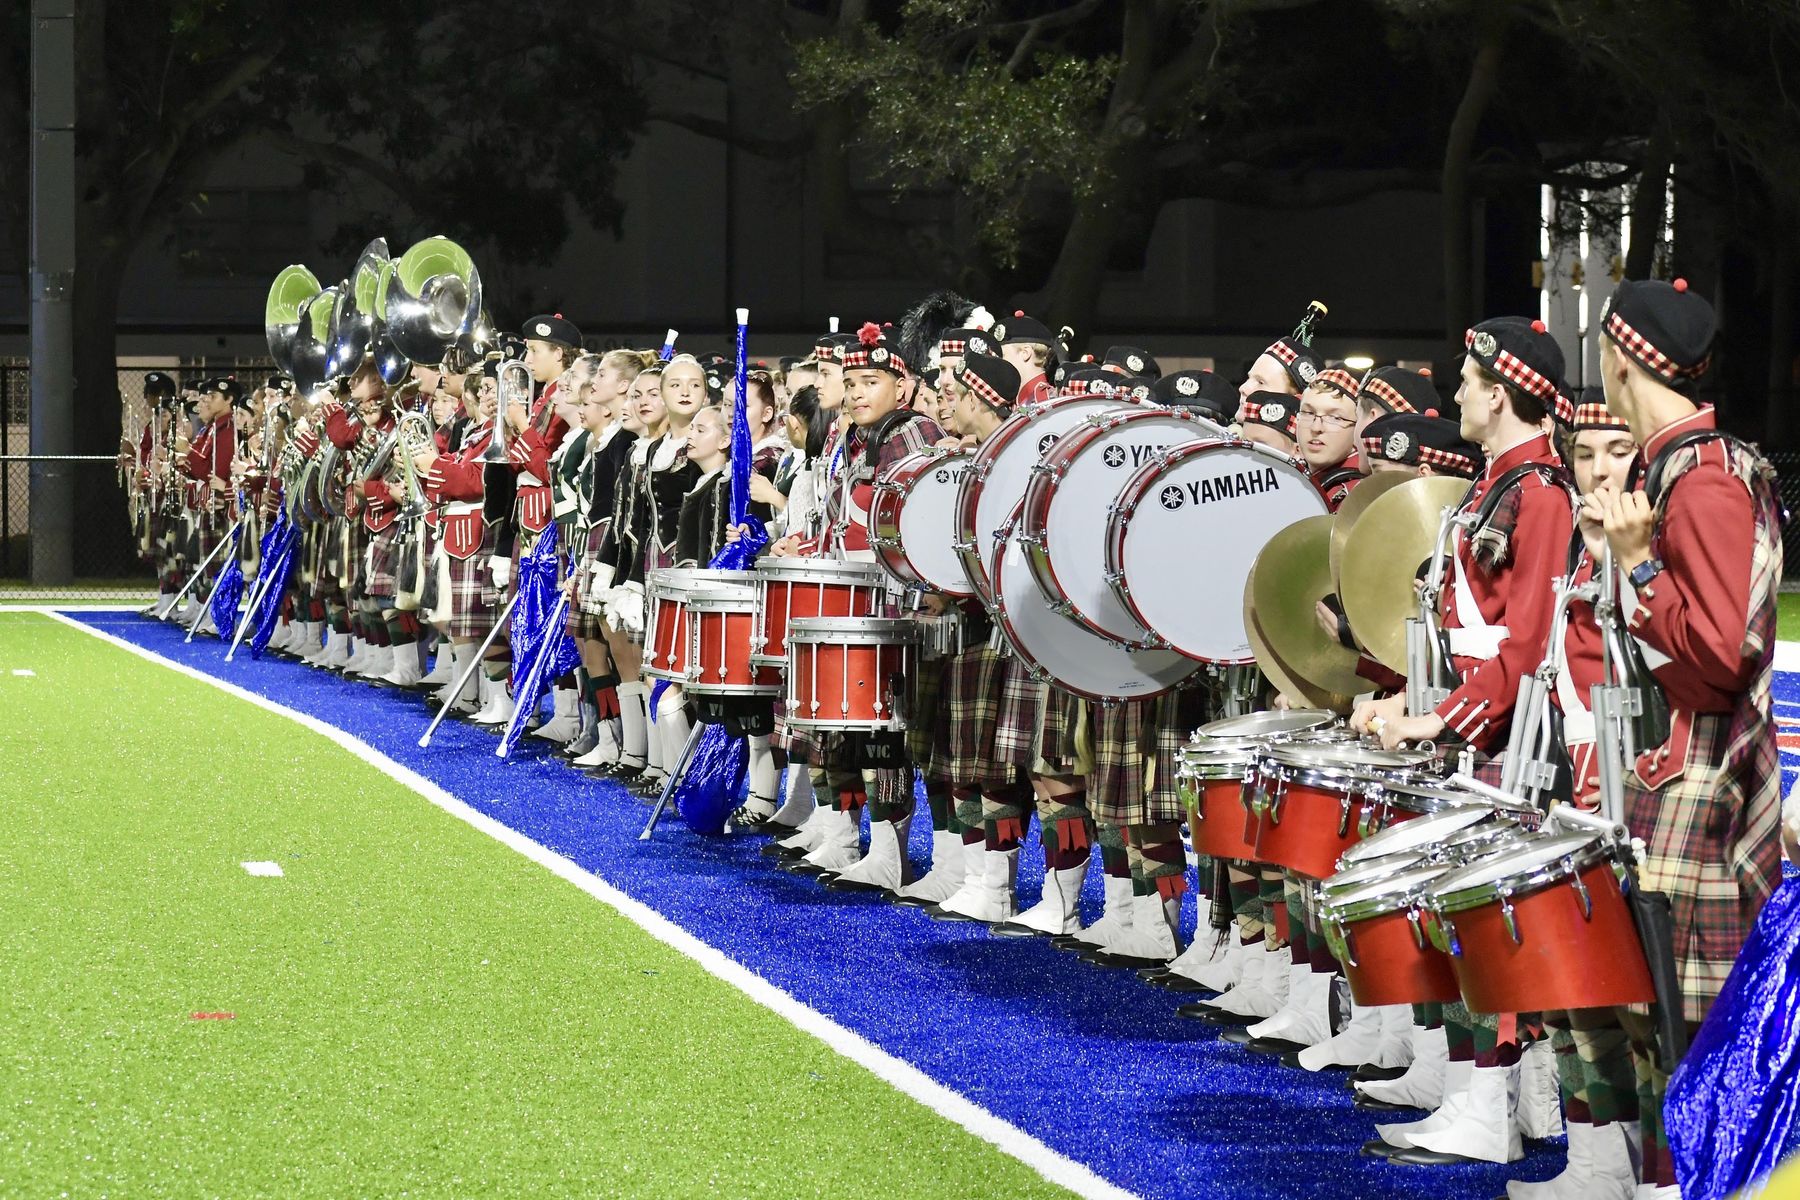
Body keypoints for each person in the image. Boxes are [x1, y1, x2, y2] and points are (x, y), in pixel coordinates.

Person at [1351, 316, 1578, 1167]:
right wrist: (1418, 699)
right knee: (1463, 916)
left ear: (1502, 393)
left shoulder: (1540, 493)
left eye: (1468, 382)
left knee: (1491, 925)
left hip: (1515, 741)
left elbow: (1528, 643)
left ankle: (1491, 1109)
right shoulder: (1501, 484)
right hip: (1483, 727)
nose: (1455, 394)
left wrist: (1438, 718)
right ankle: (1481, 1097)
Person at [1584, 277, 1785, 1198]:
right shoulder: (1676, 469)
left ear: (1621, 359)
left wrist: (1635, 568)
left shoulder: (1702, 480)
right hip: (1681, 767)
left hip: (1704, 775)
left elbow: (1718, 660)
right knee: (1655, 1012)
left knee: (1686, 1018)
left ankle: (1687, 1185)